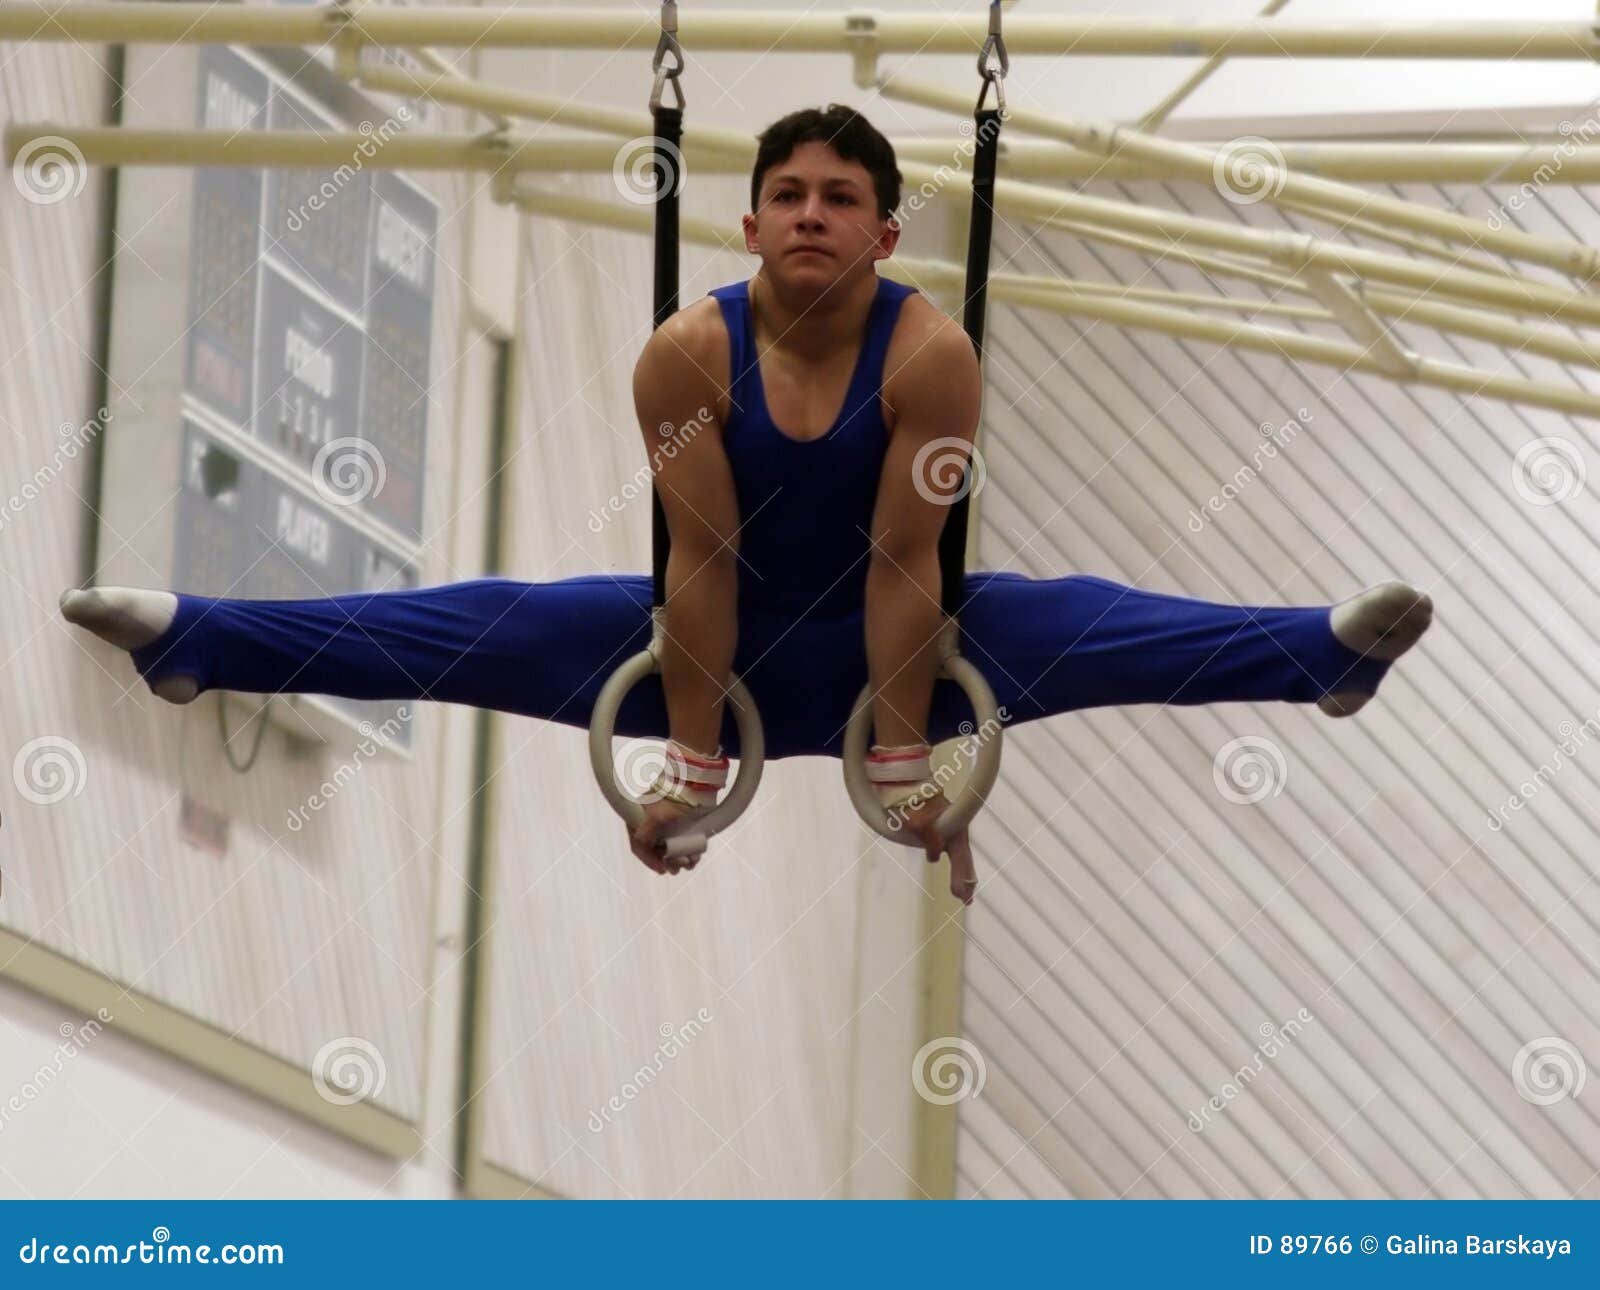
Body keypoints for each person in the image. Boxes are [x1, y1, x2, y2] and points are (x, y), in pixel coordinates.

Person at [61, 105, 1433, 906]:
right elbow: (700, 560)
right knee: (476, 623)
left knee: (1070, 620)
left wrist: (903, 769)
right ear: (749, 222)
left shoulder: (929, 354)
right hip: (699, 641)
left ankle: (1323, 655)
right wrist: (695, 770)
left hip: (899, 647)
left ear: (887, 233)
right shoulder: (684, 355)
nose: (811, 216)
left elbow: (908, 564)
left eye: (842, 199)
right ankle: (204, 641)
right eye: (786, 194)